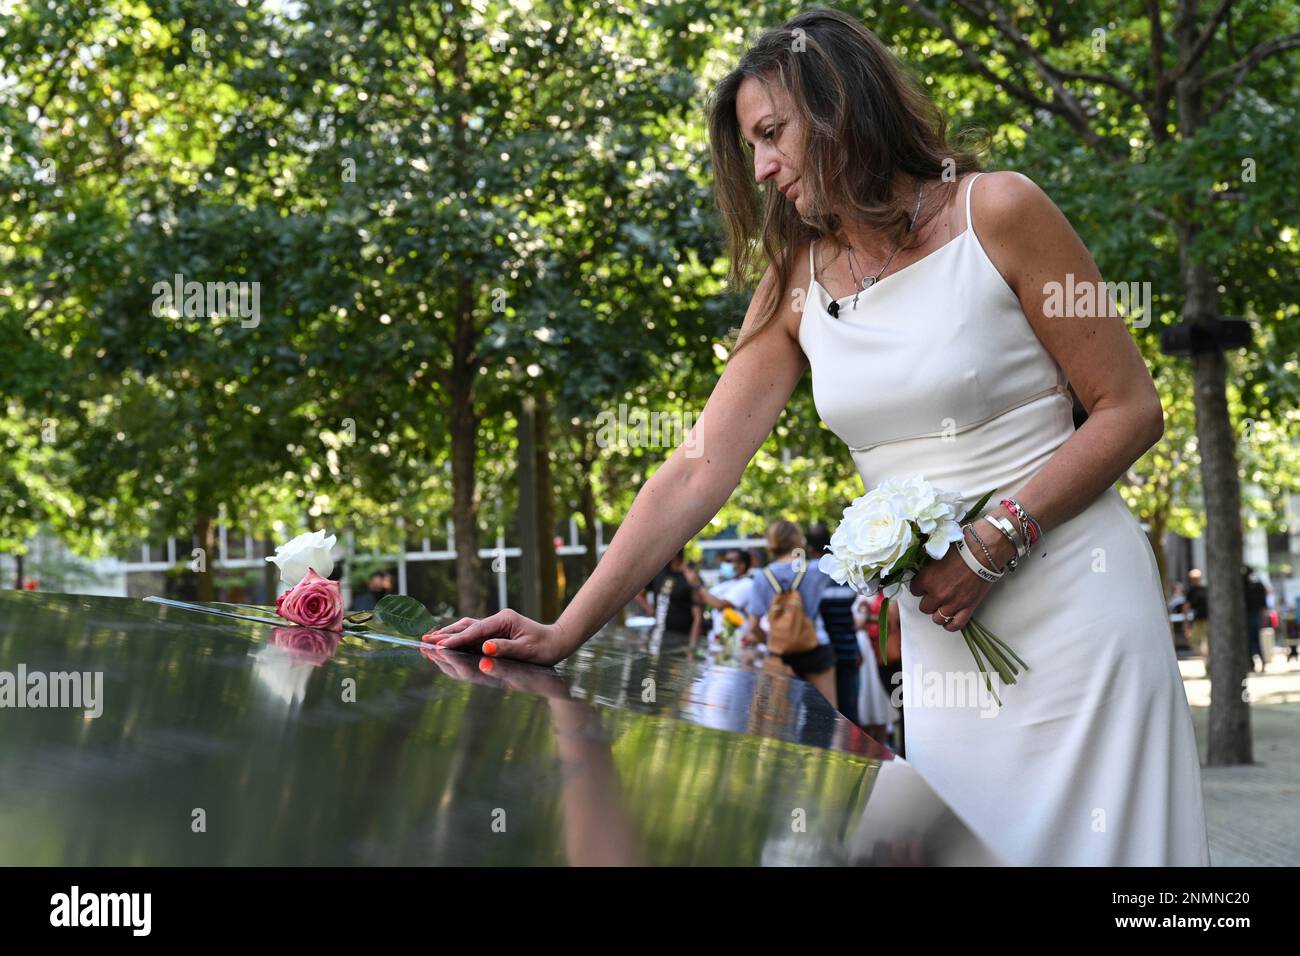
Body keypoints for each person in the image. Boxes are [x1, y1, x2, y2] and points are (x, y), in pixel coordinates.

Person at [423, 9, 1209, 866]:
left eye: (771, 134)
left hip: (1079, 617)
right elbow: (695, 470)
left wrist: (994, 539)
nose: (760, 168)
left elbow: (1131, 408)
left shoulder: (1004, 211)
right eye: (750, 147)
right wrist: (563, 631)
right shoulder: (793, 285)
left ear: (838, 104)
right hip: (945, 644)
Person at [744, 520, 837, 707]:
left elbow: (753, 626)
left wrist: (771, 641)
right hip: (815, 647)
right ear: (796, 539)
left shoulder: (762, 577)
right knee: (828, 717)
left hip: (781, 654)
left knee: (782, 720)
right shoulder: (815, 569)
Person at [806, 522, 862, 724]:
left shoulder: (806, 574)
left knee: (822, 717)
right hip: (848, 651)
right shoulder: (844, 571)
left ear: (808, 547)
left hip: (818, 654)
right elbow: (851, 615)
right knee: (848, 716)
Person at [634, 548, 701, 656]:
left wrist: (692, 647)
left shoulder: (690, 577)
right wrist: (652, 611)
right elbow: (638, 595)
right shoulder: (659, 572)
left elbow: (698, 617)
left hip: (682, 638)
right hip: (658, 634)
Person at [1187, 568, 1209, 664]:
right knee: (1194, 642)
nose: (1195, 580)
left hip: (1208, 620)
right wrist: (1186, 624)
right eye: (1193, 578)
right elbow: (1186, 608)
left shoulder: (1205, 589)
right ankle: (1206, 658)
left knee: (1207, 642)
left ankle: (1208, 661)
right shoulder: (1190, 592)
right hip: (1198, 621)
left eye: (1197, 578)